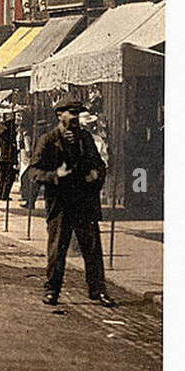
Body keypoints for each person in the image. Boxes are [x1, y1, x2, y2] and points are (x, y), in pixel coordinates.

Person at [29, 98, 114, 307]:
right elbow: (32, 171)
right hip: (60, 204)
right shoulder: (48, 140)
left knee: (92, 249)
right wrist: (55, 175)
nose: (75, 117)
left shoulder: (85, 138)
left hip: (84, 202)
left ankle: (97, 290)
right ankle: (52, 290)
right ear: (60, 115)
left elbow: (99, 165)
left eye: (77, 113)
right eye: (71, 113)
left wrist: (96, 175)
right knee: (58, 249)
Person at [0, 116, 19, 202]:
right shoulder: (11, 136)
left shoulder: (2, 135)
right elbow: (14, 149)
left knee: (3, 177)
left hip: (3, 159)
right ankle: (4, 195)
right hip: (9, 159)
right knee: (9, 178)